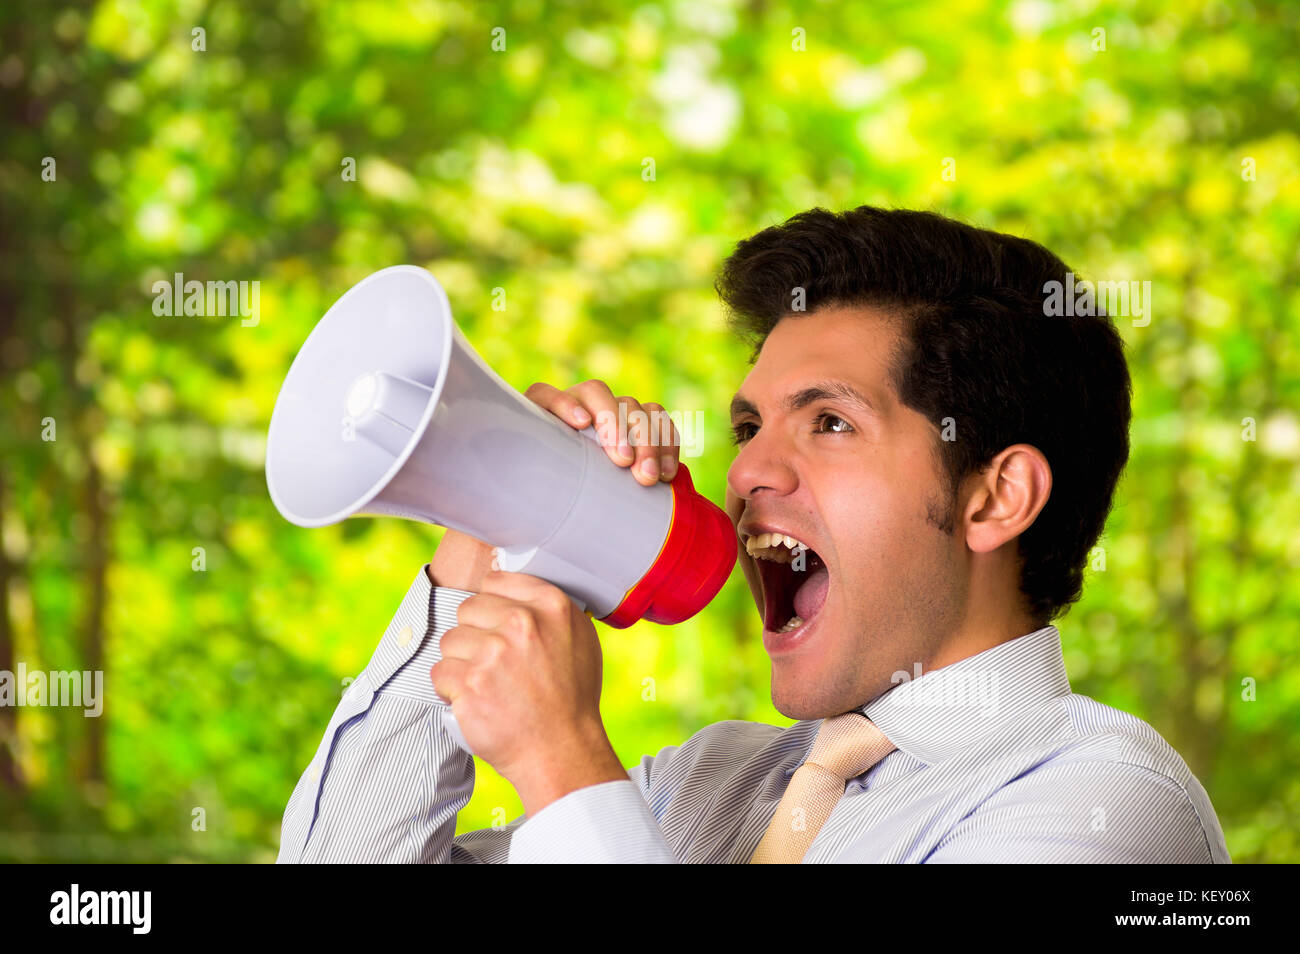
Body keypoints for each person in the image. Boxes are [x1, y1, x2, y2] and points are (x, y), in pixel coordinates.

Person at [276, 206, 1230, 863]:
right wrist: (485, 530)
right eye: (747, 428)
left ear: (994, 498)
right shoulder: (703, 787)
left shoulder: (1107, 807)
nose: (743, 473)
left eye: (829, 423)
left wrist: (563, 767)